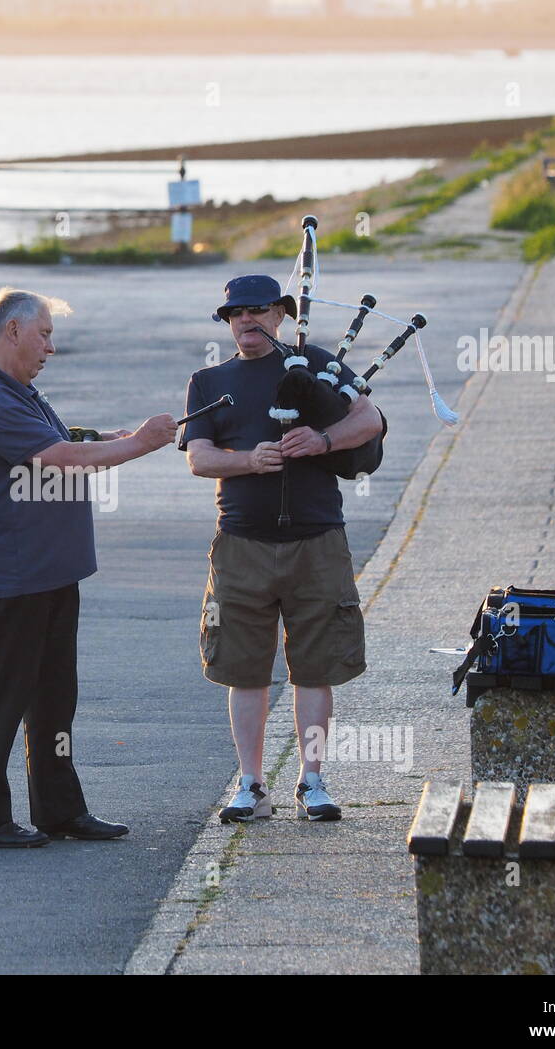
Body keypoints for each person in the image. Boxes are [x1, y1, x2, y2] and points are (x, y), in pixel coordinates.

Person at [0, 287, 178, 848]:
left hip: (48, 570)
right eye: (45, 334)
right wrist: (143, 443)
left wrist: (113, 437)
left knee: (54, 698)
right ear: (13, 332)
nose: (51, 347)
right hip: (14, 574)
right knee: (7, 696)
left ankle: (58, 809)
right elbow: (61, 459)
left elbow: (63, 441)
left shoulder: (16, 389)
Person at [180, 275, 383, 824]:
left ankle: (312, 782)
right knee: (244, 670)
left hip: (317, 538)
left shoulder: (315, 364)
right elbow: (198, 457)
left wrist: (322, 441)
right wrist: (250, 460)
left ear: (280, 314)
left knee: (314, 668)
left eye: (257, 311)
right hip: (241, 542)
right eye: (234, 313)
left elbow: (370, 420)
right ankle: (251, 785)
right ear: (227, 321)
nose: (245, 320)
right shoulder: (208, 381)